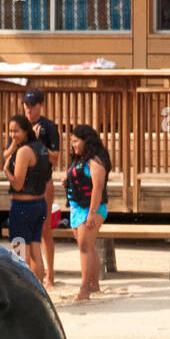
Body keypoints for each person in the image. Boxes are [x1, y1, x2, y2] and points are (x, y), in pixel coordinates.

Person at [64, 124, 111, 302]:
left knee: (85, 247)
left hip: (93, 208)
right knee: (87, 246)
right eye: (72, 141)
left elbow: (98, 189)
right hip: (77, 208)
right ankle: (94, 284)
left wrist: (91, 214)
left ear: (86, 141)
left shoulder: (96, 161)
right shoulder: (79, 159)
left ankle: (85, 288)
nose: (73, 145)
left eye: (76, 141)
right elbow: (78, 177)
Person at [3, 113, 51, 284]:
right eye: (9, 131)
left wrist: (6, 171)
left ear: (25, 131)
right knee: (36, 250)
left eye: (15, 131)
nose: (12, 135)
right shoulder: (41, 148)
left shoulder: (24, 151)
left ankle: (23, 288)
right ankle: (38, 288)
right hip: (39, 204)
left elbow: (17, 184)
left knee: (20, 252)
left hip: (23, 207)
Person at [22, 89, 60, 289]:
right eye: (26, 105)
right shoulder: (20, 126)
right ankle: (28, 273)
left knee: (44, 228)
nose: (28, 108)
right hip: (24, 181)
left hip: (43, 180)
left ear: (40, 105)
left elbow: (55, 157)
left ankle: (50, 275)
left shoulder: (48, 127)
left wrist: (37, 144)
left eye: (32, 104)